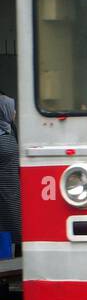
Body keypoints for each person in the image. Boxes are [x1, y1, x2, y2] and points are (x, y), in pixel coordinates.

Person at [0, 92, 19, 252]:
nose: (15, 113)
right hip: (3, 189)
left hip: (12, 187)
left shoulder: (9, 129)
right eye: (12, 109)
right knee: (5, 224)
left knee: (12, 224)